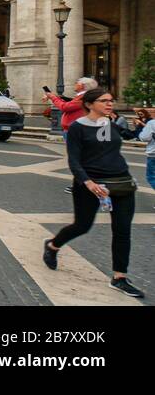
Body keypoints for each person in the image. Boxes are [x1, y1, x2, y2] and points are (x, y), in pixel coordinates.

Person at [43, 88, 145, 298]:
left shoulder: (109, 124)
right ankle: (53, 246)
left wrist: (139, 128)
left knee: (122, 230)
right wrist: (88, 182)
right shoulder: (77, 128)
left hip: (121, 182)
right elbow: (74, 160)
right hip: (90, 185)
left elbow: (119, 142)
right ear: (89, 104)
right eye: (104, 101)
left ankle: (120, 277)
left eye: (111, 100)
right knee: (82, 225)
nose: (110, 104)